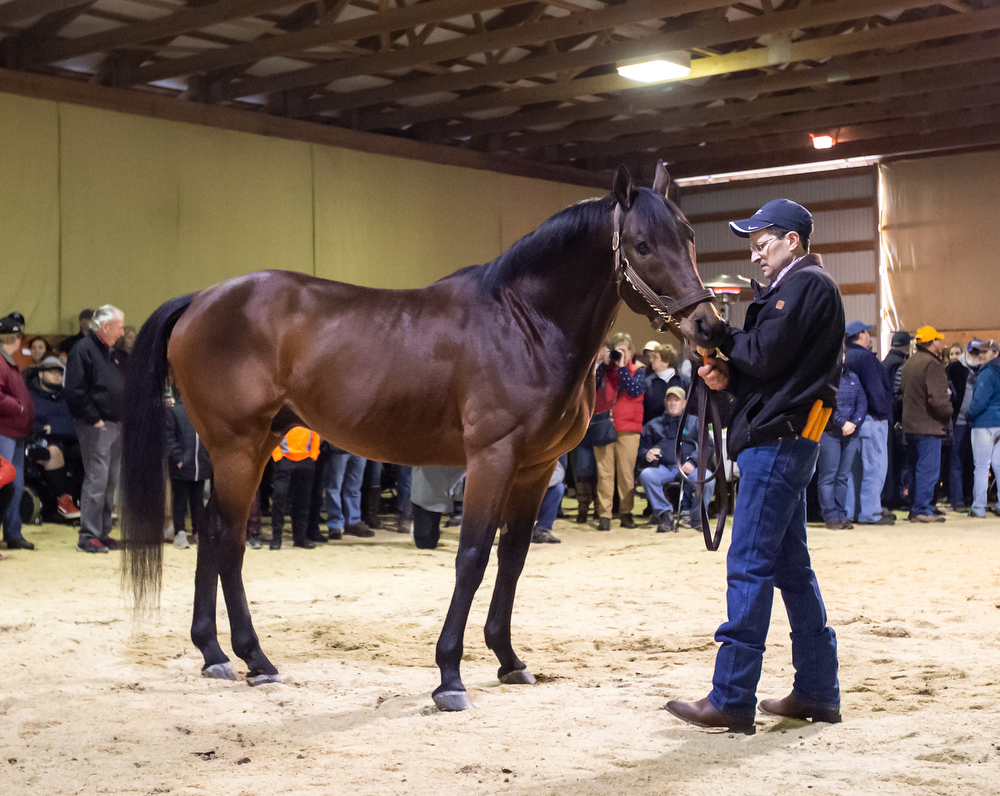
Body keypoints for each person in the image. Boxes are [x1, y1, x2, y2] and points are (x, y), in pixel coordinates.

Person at [666, 198, 845, 733]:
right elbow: (774, 368)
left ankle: (732, 696)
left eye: (763, 244)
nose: (755, 255)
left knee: (748, 565)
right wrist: (731, 377)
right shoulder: (803, 288)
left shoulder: (805, 285)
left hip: (778, 442)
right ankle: (817, 690)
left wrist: (720, 335)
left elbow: (765, 354)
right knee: (791, 570)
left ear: (792, 240)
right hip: (788, 437)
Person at [64, 304, 127, 553]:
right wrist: (95, 419)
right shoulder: (82, 350)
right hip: (96, 425)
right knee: (97, 481)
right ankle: (88, 537)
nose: (122, 332)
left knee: (110, 482)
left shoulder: (111, 351)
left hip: (115, 424)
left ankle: (102, 533)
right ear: (105, 326)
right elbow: (75, 390)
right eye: (119, 327)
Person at [843, 321, 894, 526]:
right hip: (872, 419)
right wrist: (883, 412)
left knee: (854, 471)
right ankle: (870, 513)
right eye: (867, 332)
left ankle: (852, 512)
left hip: (851, 421)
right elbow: (875, 391)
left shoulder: (845, 356)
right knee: (875, 468)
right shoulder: (865, 358)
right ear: (860, 335)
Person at [899, 326, 953, 523]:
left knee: (915, 468)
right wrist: (949, 411)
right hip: (929, 425)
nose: (940, 343)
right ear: (933, 343)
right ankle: (922, 509)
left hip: (911, 425)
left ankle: (916, 507)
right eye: (938, 340)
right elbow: (937, 399)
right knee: (928, 470)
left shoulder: (909, 363)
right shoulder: (932, 364)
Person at [593, 332, 645, 531]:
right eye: (617, 351)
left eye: (624, 351)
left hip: (629, 428)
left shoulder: (638, 370)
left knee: (626, 474)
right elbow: (592, 388)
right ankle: (604, 515)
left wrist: (622, 368)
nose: (620, 355)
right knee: (604, 474)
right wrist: (600, 364)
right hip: (604, 425)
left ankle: (626, 513)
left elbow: (634, 390)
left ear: (630, 352)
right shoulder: (604, 370)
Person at [638, 386, 700, 532]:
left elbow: (707, 446)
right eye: (669, 400)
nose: (672, 403)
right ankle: (665, 514)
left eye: (676, 400)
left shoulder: (695, 422)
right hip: (664, 468)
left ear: (684, 403)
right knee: (646, 475)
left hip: (689, 467)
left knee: (708, 480)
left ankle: (697, 517)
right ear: (665, 402)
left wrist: (692, 461)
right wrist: (646, 453)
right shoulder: (653, 425)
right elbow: (641, 450)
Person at [27, 356, 82, 520]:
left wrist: (54, 428)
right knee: (53, 450)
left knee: (91, 451)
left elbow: (77, 424)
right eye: (52, 371)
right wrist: (60, 428)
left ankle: (90, 501)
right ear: (40, 374)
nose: (57, 375)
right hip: (38, 443)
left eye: (60, 372)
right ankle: (64, 502)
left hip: (69, 441)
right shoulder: (30, 396)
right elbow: (33, 425)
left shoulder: (67, 397)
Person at [0, 315, 36, 551]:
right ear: (15, 339)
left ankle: (13, 534)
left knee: (15, 483)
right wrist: (18, 406)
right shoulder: (2, 362)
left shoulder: (8, 361)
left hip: (15, 431)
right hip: (5, 430)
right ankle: (12, 533)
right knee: (4, 484)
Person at [816, 362, 866, 529]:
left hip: (851, 432)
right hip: (829, 432)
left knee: (843, 476)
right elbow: (825, 403)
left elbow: (862, 403)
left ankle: (841, 514)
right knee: (828, 476)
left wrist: (854, 423)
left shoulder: (853, 376)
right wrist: (842, 423)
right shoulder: (824, 376)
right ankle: (830, 516)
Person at [166, 394, 212, 549]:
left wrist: (206, 458)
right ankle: (179, 532)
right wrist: (179, 459)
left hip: (200, 465)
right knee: (179, 501)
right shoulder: (175, 411)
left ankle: (198, 531)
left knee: (198, 502)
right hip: (182, 465)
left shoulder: (203, 411)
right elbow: (169, 437)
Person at [945, 339, 986, 512]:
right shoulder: (954, 368)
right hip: (959, 422)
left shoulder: (986, 369)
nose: (975, 355)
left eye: (978, 352)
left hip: (979, 423)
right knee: (956, 460)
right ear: (967, 352)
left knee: (974, 462)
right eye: (972, 352)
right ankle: (957, 500)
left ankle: (970, 497)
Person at [270, 426, 320, 549]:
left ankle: (300, 538)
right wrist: (277, 455)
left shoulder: (308, 415)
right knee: (279, 500)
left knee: (303, 502)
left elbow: (315, 432)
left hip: (306, 460)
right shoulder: (285, 415)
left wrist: (313, 455)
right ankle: (276, 538)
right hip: (284, 459)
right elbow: (272, 433)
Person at [966, 340, 1000, 517]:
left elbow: (979, 403)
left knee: (981, 467)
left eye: (985, 352)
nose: (980, 355)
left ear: (995, 353)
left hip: (984, 424)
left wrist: (968, 415)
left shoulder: (986, 374)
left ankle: (978, 508)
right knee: (999, 465)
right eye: (979, 352)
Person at [881, 330, 911, 510]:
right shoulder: (901, 364)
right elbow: (899, 394)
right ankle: (895, 497)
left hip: (885, 417)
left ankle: (888, 496)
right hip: (896, 418)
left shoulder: (884, 363)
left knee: (888, 459)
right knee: (898, 461)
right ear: (907, 346)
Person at [325, 447, 373, 540]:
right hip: (338, 447)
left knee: (354, 488)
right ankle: (335, 524)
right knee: (334, 487)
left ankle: (353, 523)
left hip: (360, 448)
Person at [642, 342, 689, 425]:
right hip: (655, 428)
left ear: (666, 361)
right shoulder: (648, 383)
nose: (651, 360)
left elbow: (692, 406)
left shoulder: (684, 380)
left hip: (682, 427)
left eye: (656, 358)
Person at [532, 455, 568, 544]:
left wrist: (542, 484)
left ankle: (542, 530)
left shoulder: (549, 451)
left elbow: (559, 471)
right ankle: (518, 531)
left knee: (558, 488)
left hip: (541, 483)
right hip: (521, 484)